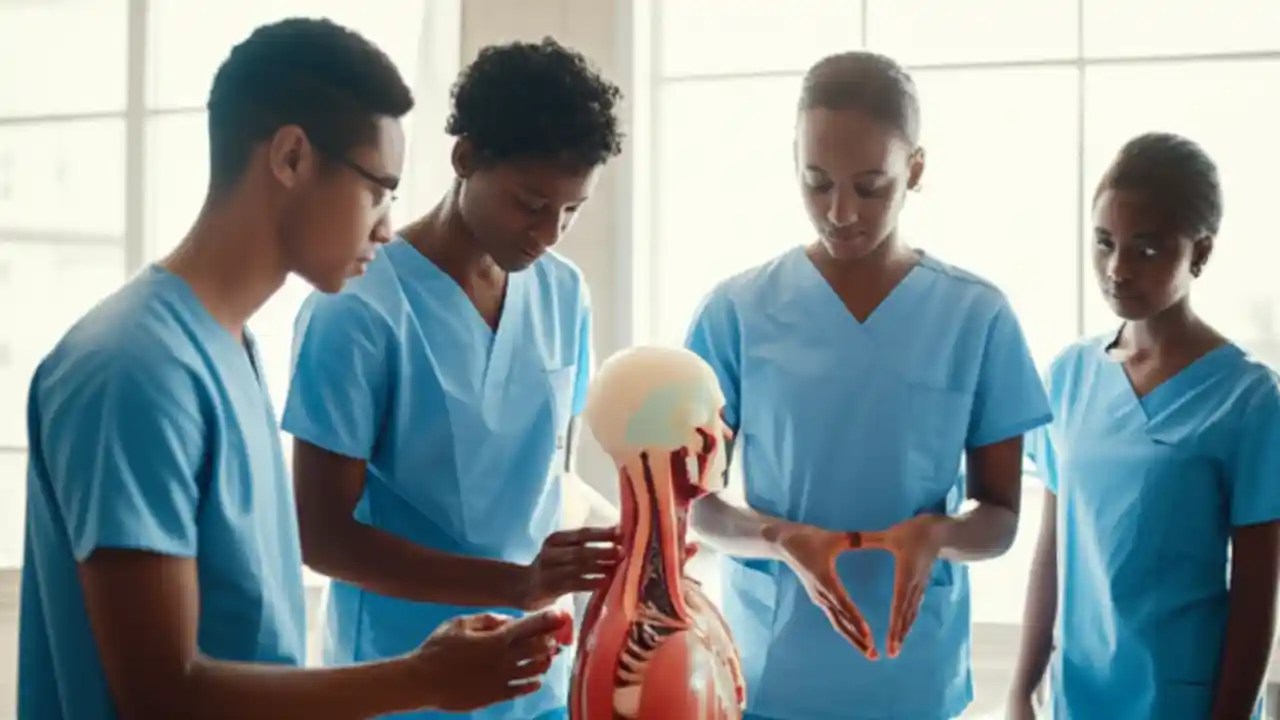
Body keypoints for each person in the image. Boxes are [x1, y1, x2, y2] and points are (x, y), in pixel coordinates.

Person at [18, 18, 572, 720]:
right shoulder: (132, 368)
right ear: (289, 157)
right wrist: (422, 679)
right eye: (378, 190)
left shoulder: (232, 349)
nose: (385, 227)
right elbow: (162, 694)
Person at [683, 51, 1052, 720]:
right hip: (771, 672)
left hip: (913, 677)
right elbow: (693, 504)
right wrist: (776, 538)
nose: (840, 211)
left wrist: (936, 534)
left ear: (915, 170)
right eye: (816, 182)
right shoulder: (735, 311)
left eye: (871, 185)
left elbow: (999, 517)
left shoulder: (977, 316)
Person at [282, 37, 625, 720]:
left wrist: (637, 542)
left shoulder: (563, 293)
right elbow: (321, 536)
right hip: (399, 680)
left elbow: (549, 482)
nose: (549, 233)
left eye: (571, 210)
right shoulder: (355, 308)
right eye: (531, 204)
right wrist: (516, 583)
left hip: (535, 678)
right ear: (465, 158)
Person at [1008, 133, 1280, 720]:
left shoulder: (1249, 399)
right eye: (1104, 243)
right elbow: (1051, 550)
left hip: (1184, 701)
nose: (1116, 269)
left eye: (1146, 250)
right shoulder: (1069, 375)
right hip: (1078, 696)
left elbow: (1257, 597)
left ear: (1200, 253)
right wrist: (1019, 689)